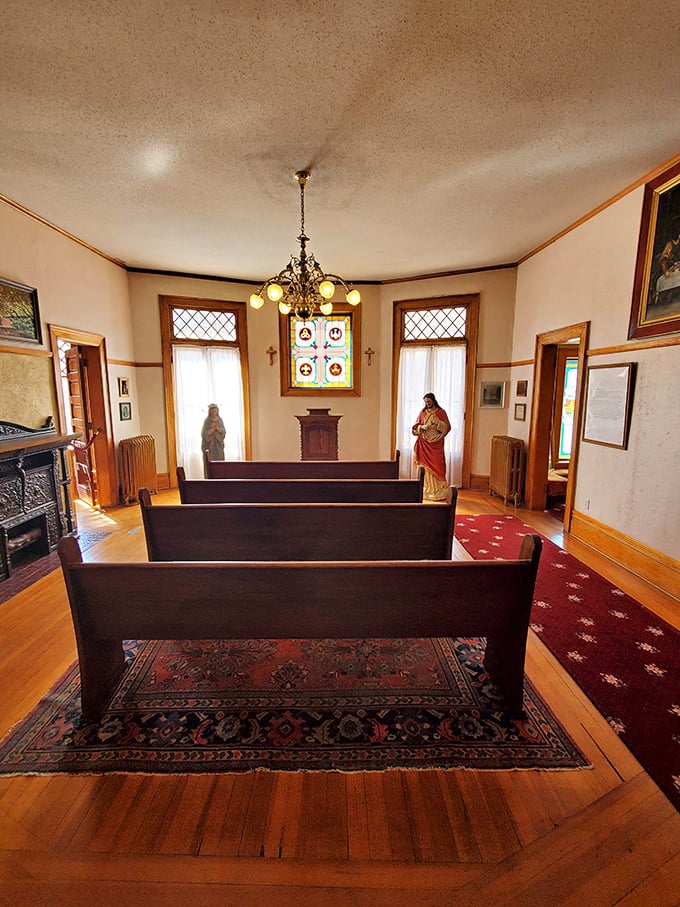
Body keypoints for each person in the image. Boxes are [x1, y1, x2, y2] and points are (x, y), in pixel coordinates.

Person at [412, 392, 451, 501]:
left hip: (436, 444)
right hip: (423, 444)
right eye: (426, 402)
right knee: (424, 467)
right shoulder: (423, 413)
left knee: (437, 464)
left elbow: (447, 427)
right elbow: (415, 428)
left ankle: (437, 489)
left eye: (429, 401)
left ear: (433, 400)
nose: (427, 404)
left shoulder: (441, 412)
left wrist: (438, 422)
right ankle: (426, 488)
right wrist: (421, 427)